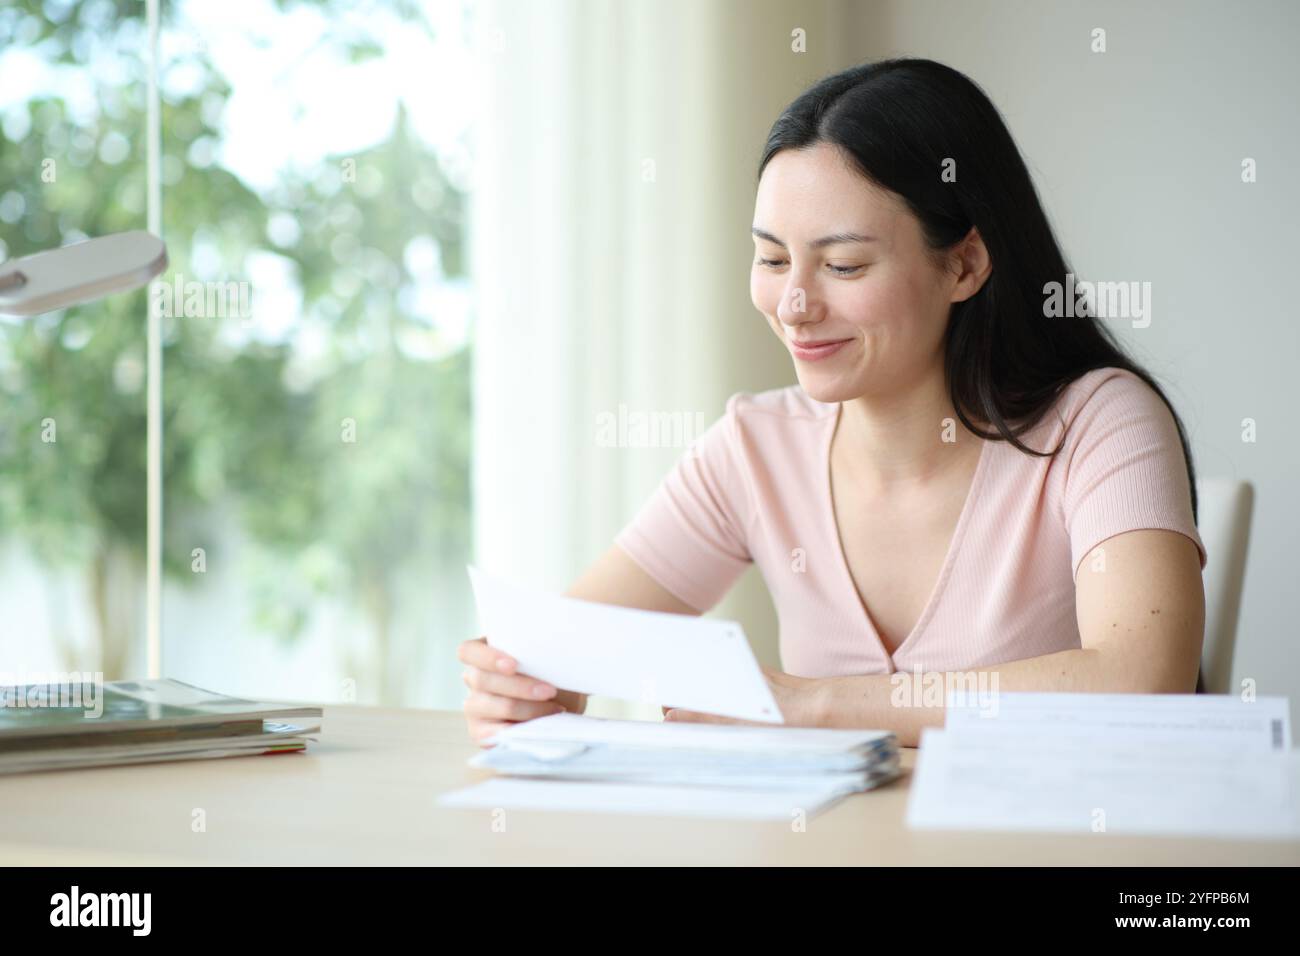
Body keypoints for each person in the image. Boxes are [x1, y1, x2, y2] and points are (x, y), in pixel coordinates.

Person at [459, 57, 1206, 748]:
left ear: (966, 264)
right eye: (772, 257)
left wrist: (811, 707)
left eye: (843, 264)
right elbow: (570, 646)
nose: (793, 305)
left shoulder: (1099, 422)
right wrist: (530, 685)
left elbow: (1140, 679)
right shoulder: (757, 448)